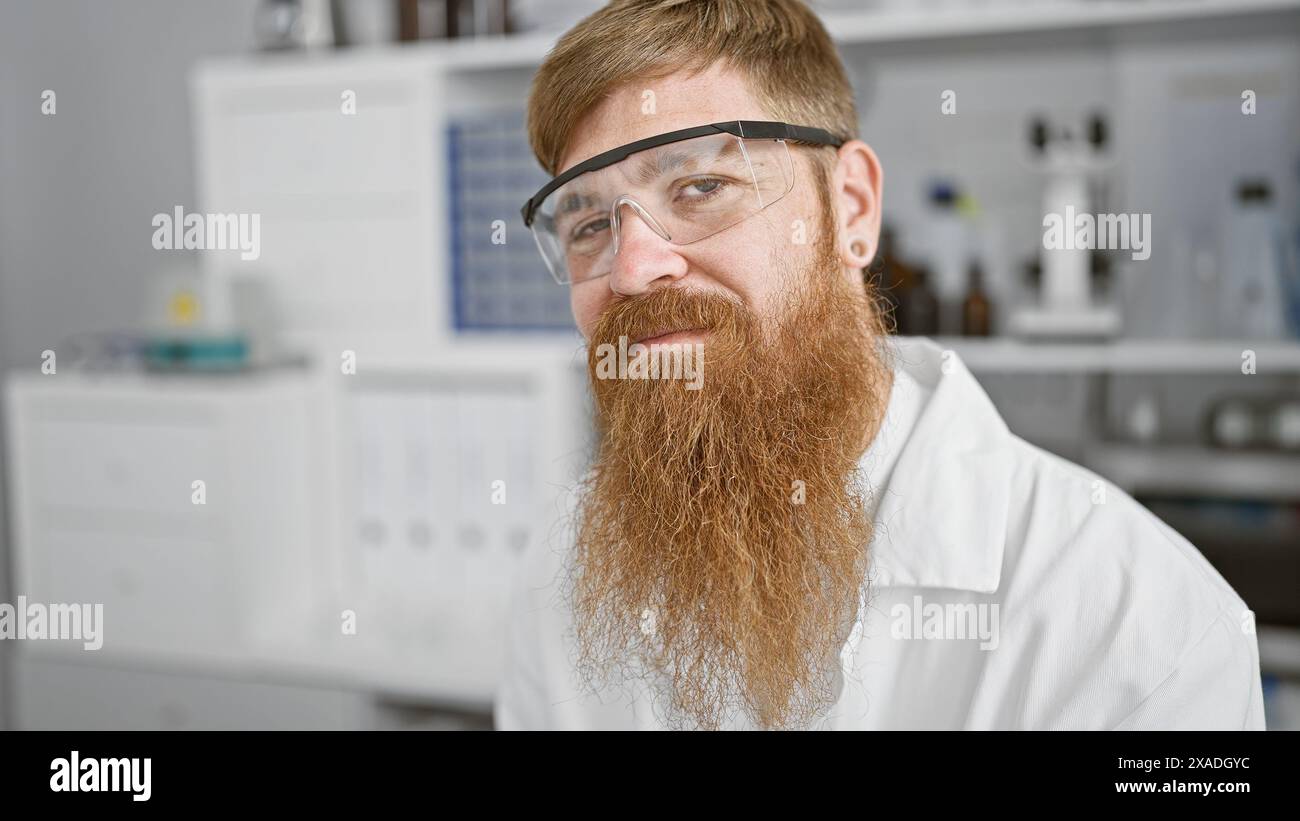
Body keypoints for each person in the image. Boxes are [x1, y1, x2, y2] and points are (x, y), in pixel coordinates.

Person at [494, 0, 1265, 730]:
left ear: (853, 208)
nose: (631, 268)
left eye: (701, 185)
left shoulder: (1145, 626)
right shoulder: (562, 571)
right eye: (589, 221)